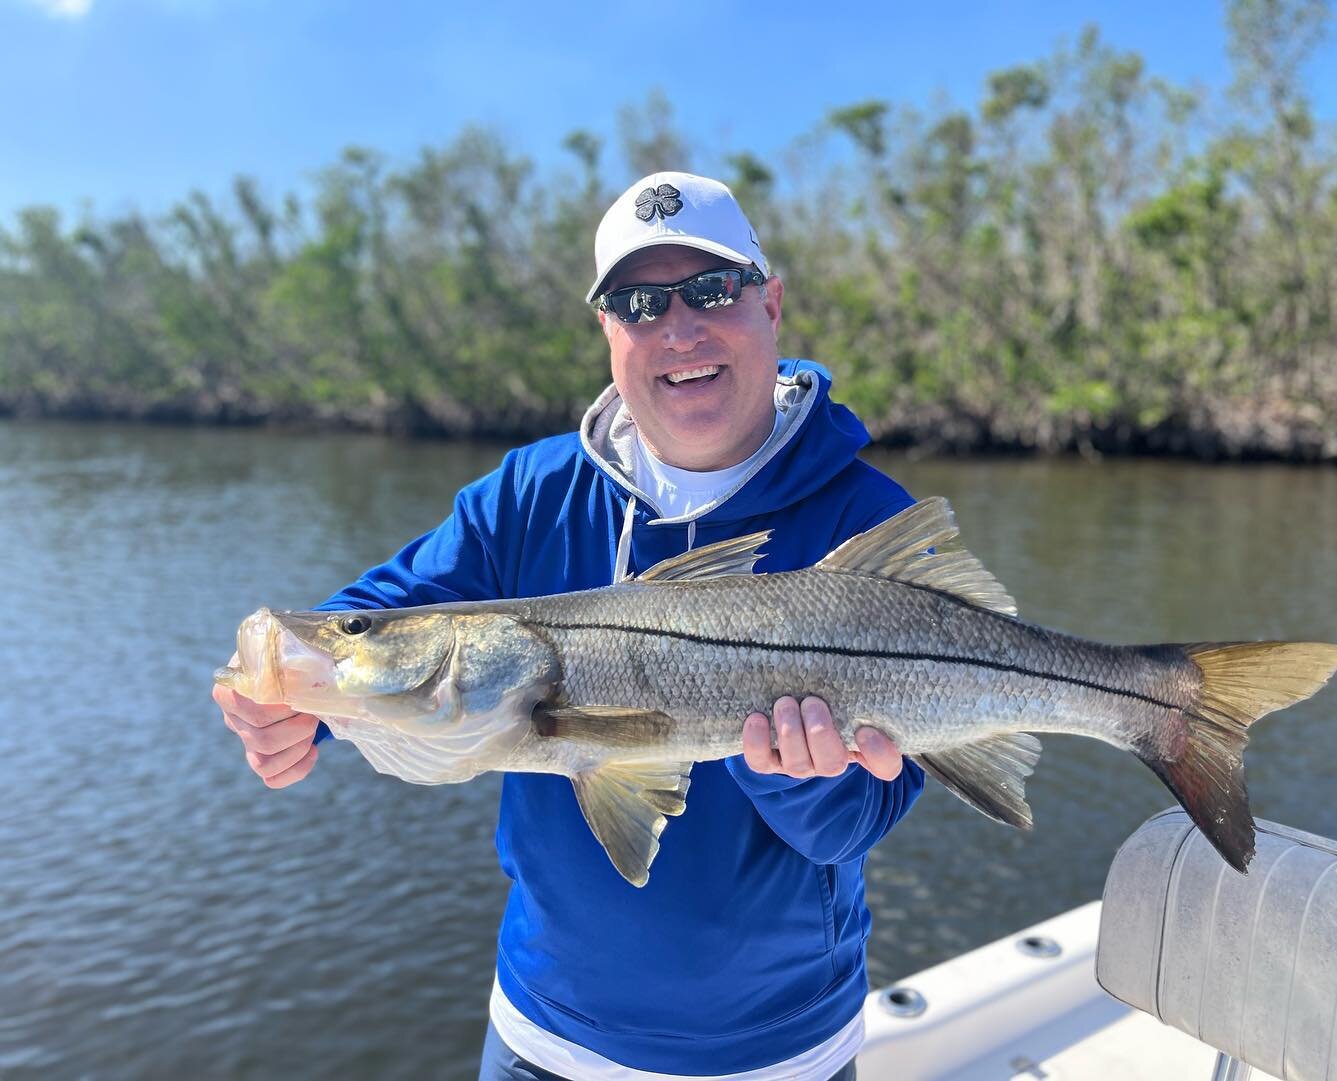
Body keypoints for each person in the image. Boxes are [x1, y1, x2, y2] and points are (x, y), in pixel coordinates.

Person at [213, 171, 927, 1080]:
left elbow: (855, 824)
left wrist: (798, 776)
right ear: (607, 331)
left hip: (782, 1052)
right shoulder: (525, 494)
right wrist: (300, 700)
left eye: (711, 289)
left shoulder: (866, 518)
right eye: (638, 302)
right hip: (543, 1039)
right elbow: (384, 619)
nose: (679, 328)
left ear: (771, 303)